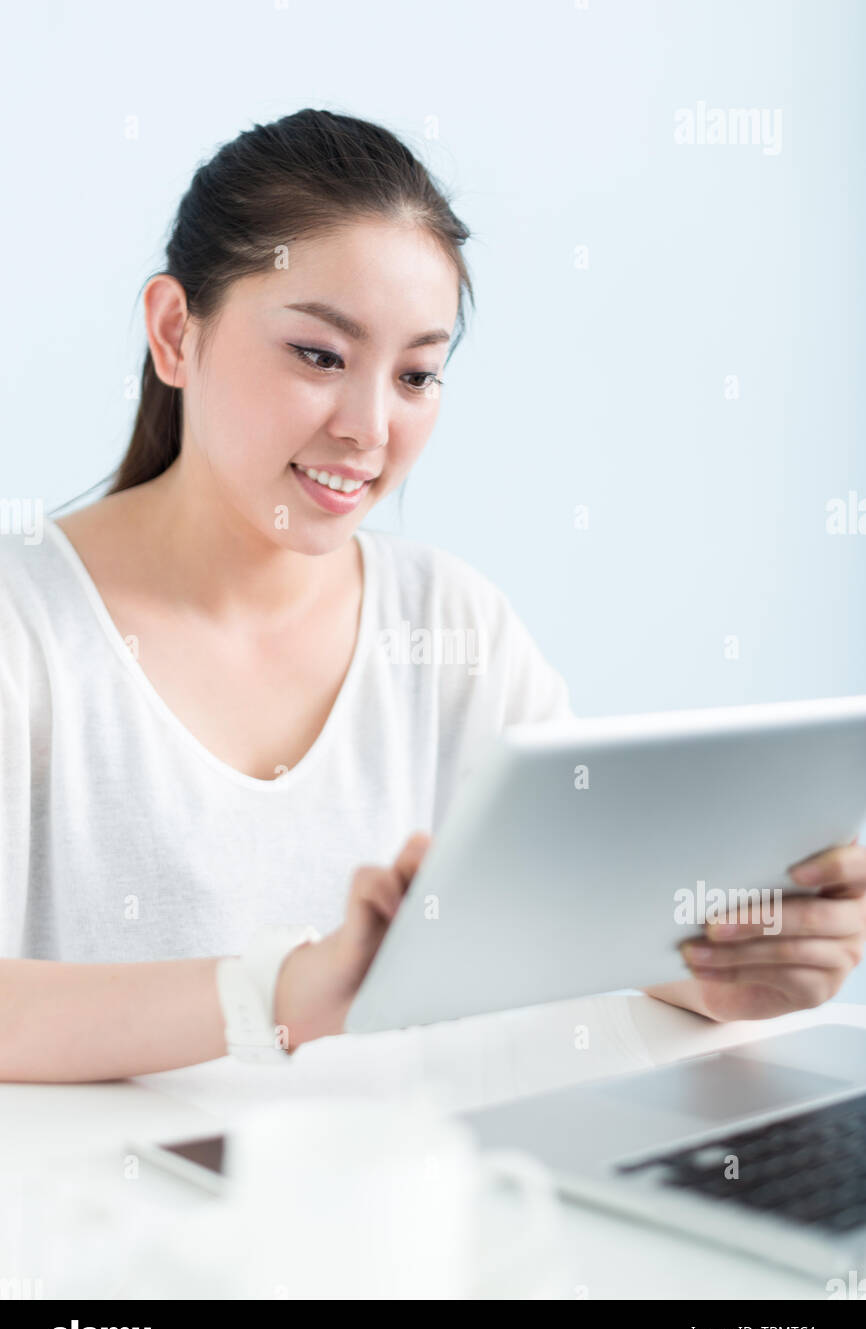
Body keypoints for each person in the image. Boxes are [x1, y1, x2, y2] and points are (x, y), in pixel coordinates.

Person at [1, 110, 864, 1084]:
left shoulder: (449, 627)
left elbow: (582, 920)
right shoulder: (25, 626)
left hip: (386, 1207)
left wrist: (736, 968)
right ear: (174, 332)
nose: (368, 428)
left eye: (415, 373)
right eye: (319, 355)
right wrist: (286, 991)